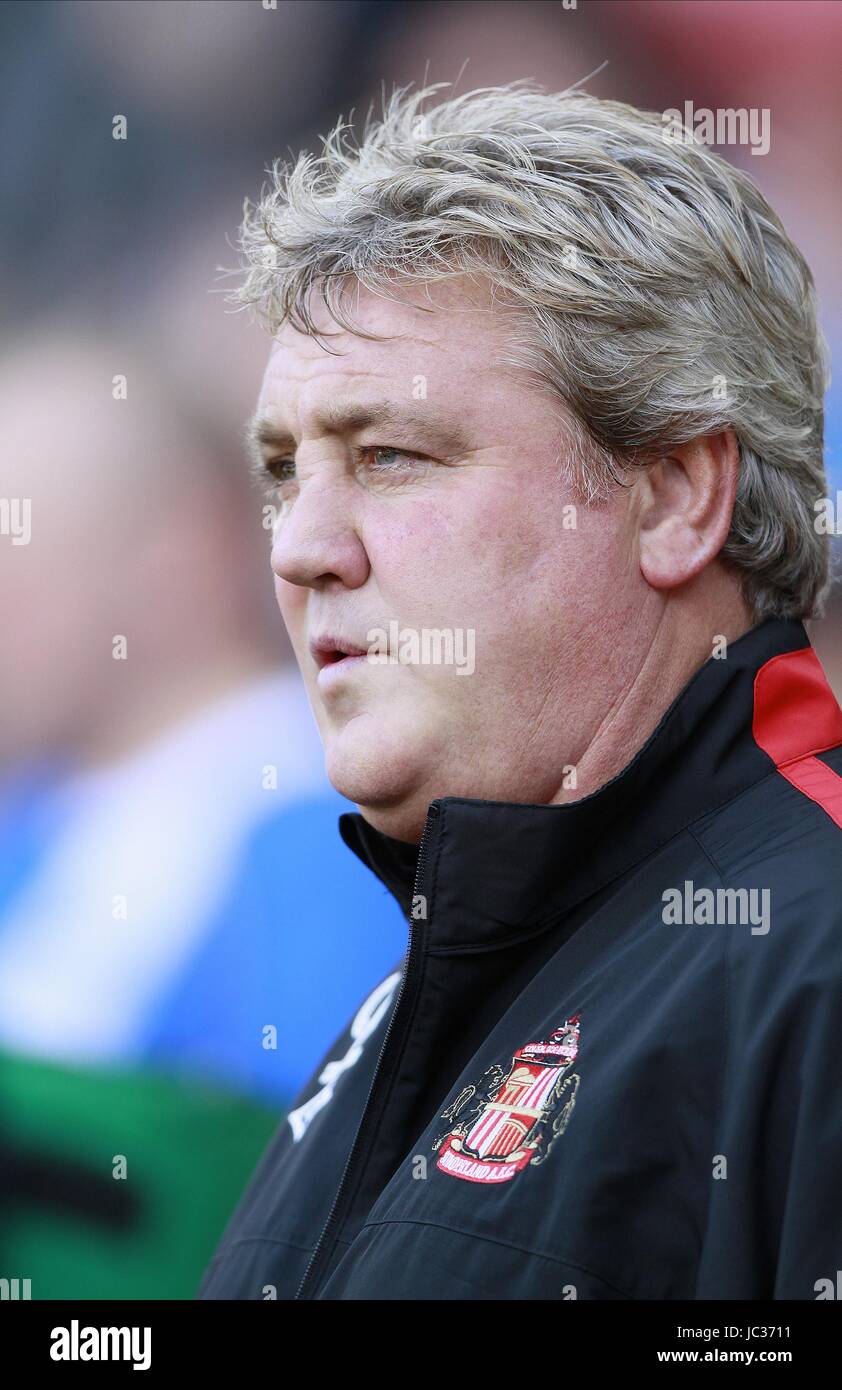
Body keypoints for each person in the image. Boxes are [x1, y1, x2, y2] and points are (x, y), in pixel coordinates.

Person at [198, 81, 842, 1300]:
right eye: (286, 471)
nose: (297, 546)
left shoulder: (812, 961)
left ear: (670, 495)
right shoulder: (397, 1016)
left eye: (389, 456)